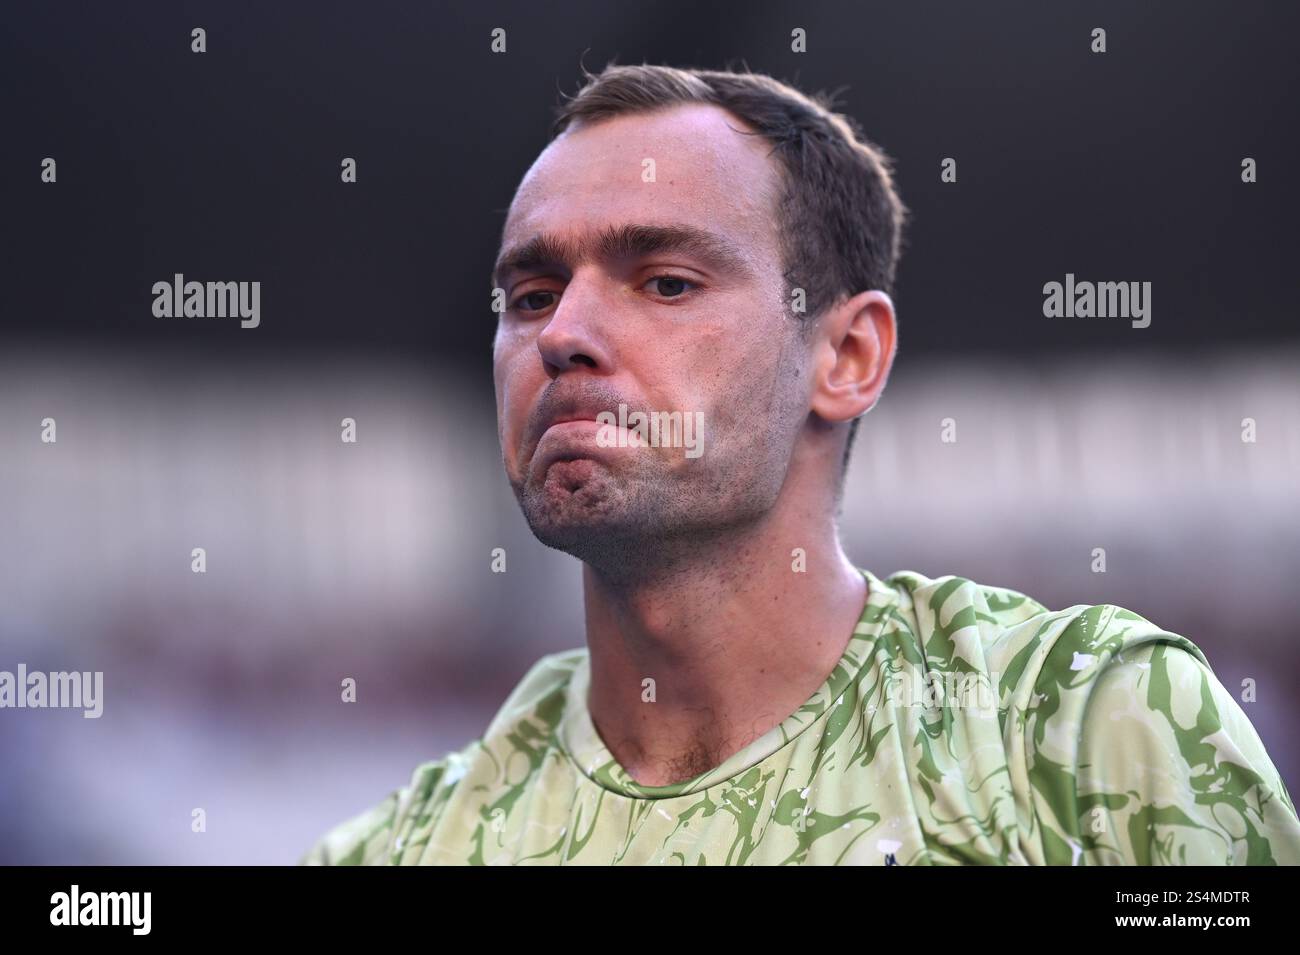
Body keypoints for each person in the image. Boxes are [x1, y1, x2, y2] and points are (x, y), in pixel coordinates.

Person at [301, 63, 1300, 865]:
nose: (564, 332)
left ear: (846, 356)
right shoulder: (404, 848)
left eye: (666, 280)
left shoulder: (1081, 734)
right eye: (529, 295)